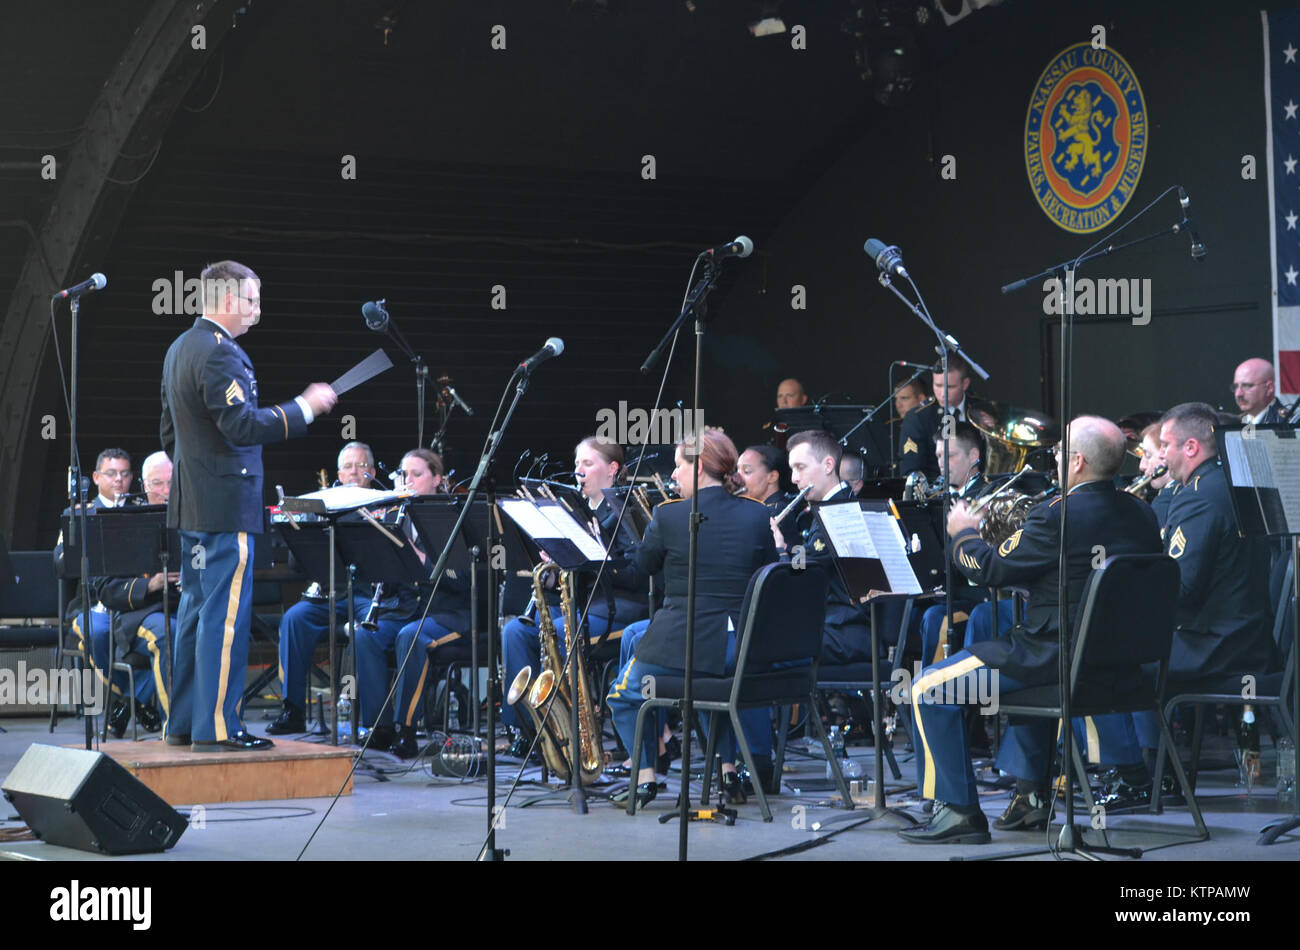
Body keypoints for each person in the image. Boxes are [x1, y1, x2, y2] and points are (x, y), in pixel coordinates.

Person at [899, 416, 1161, 844]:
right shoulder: (1142, 514)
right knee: (1012, 680)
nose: (1054, 456)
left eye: (1060, 451)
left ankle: (957, 810)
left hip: (1053, 660)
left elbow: (988, 570)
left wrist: (964, 533)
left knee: (926, 688)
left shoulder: (1057, 516)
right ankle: (1031, 800)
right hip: (1121, 669)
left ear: (1077, 462)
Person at [160, 260, 337, 752]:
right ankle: (219, 727)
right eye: (254, 300)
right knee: (225, 617)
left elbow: (168, 434)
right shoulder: (221, 354)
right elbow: (241, 427)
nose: (259, 311)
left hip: (192, 506)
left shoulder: (179, 348)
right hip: (224, 507)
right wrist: (305, 407)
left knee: (196, 612)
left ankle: (185, 724)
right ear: (229, 300)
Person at [607, 429, 777, 808]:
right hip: (740, 647)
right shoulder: (757, 513)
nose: (673, 477)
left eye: (678, 467)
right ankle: (728, 773)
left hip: (686, 642)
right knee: (705, 693)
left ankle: (646, 777)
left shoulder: (669, 516)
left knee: (622, 696)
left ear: (698, 468)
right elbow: (770, 575)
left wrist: (594, 562)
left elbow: (637, 574)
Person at [501, 437, 649, 753]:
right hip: (583, 606)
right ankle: (525, 728)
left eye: (588, 463)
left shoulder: (626, 510)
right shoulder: (573, 512)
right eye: (577, 463)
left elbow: (637, 574)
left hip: (618, 609)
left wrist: (590, 558)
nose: (578, 470)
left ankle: (570, 734)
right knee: (515, 631)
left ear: (612, 469)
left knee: (554, 635)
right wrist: (554, 569)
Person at [361, 449, 474, 758]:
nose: (407, 480)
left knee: (411, 636)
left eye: (416, 474)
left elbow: (461, 580)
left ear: (437, 479)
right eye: (403, 474)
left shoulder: (450, 518)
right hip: (411, 608)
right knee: (366, 635)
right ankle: (377, 726)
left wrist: (411, 551)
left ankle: (406, 729)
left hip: (453, 611)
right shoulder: (397, 514)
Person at [267, 441, 380, 736]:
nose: (354, 472)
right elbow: (297, 565)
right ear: (338, 475)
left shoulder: (386, 503)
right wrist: (302, 530)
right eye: (347, 467)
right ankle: (292, 709)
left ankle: (370, 719)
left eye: (362, 466)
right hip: (331, 593)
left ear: (374, 472)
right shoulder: (323, 505)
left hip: (369, 595)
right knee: (294, 619)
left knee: (370, 624)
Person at [1159, 402, 1273, 679]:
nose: (1161, 455)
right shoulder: (1235, 482)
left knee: (1111, 666)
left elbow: (1182, 588)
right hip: (1249, 639)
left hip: (1216, 647)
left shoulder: (1197, 497)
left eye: (1165, 445)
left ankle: (1158, 725)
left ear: (1190, 447)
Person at [90, 451, 178, 736]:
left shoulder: (193, 516)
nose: (165, 491)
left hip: (185, 604)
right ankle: (176, 727)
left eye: (171, 483)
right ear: (144, 484)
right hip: (138, 613)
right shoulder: (124, 521)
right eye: (157, 484)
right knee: (169, 633)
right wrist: (151, 584)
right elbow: (106, 589)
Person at [772, 429, 870, 664]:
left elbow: (801, 574)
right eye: (792, 469)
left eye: (800, 467)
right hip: (830, 626)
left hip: (846, 631)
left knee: (764, 648)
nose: (794, 478)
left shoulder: (840, 512)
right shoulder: (828, 509)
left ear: (828, 465)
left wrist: (780, 549)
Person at [898, 356, 981, 480]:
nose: (943, 393)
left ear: (965, 384)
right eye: (938, 385)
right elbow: (912, 470)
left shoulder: (980, 409)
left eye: (950, 387)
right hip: (935, 493)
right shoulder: (918, 417)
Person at [1231, 358, 1288, 424]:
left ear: (1269, 388)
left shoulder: (1290, 424)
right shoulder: (1236, 423)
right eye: (1236, 386)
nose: (1238, 394)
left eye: (1247, 386)